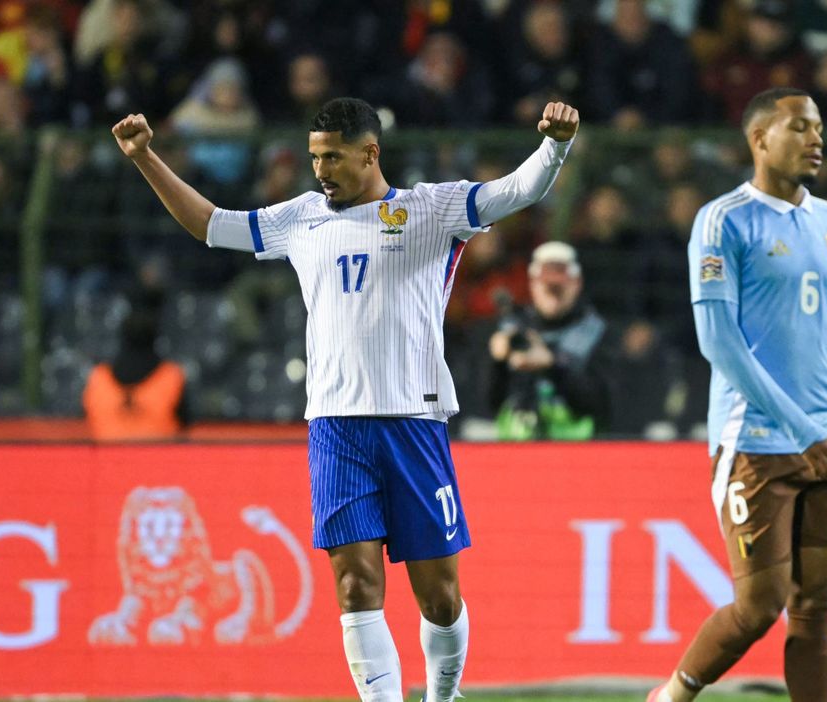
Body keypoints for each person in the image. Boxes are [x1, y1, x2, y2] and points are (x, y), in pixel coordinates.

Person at [111, 97, 578, 702]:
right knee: (356, 586)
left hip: (413, 424)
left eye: (332, 157)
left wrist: (555, 146)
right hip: (335, 429)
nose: (320, 169)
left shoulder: (430, 209)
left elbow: (519, 190)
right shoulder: (301, 217)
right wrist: (145, 157)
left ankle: (443, 695)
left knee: (438, 596)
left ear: (370, 153)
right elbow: (210, 223)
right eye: (314, 157)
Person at [647, 87, 827, 702]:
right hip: (759, 441)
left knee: (816, 607)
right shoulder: (723, 220)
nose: (816, 139)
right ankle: (673, 695)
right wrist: (804, 429)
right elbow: (719, 342)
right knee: (759, 605)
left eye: (820, 127)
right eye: (799, 127)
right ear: (759, 139)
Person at [485, 241, 615, 440]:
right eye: (548, 288)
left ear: (576, 283)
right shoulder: (511, 329)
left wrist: (552, 365)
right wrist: (498, 363)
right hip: (515, 451)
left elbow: (605, 406)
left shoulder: (597, 332)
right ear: (533, 284)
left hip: (578, 453)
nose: (553, 297)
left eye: (559, 288)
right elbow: (487, 405)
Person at [83, 299, 188, 441]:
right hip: (159, 457)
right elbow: (185, 421)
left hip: (106, 458)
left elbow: (85, 419)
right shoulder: (171, 376)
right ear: (155, 338)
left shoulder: (98, 378)